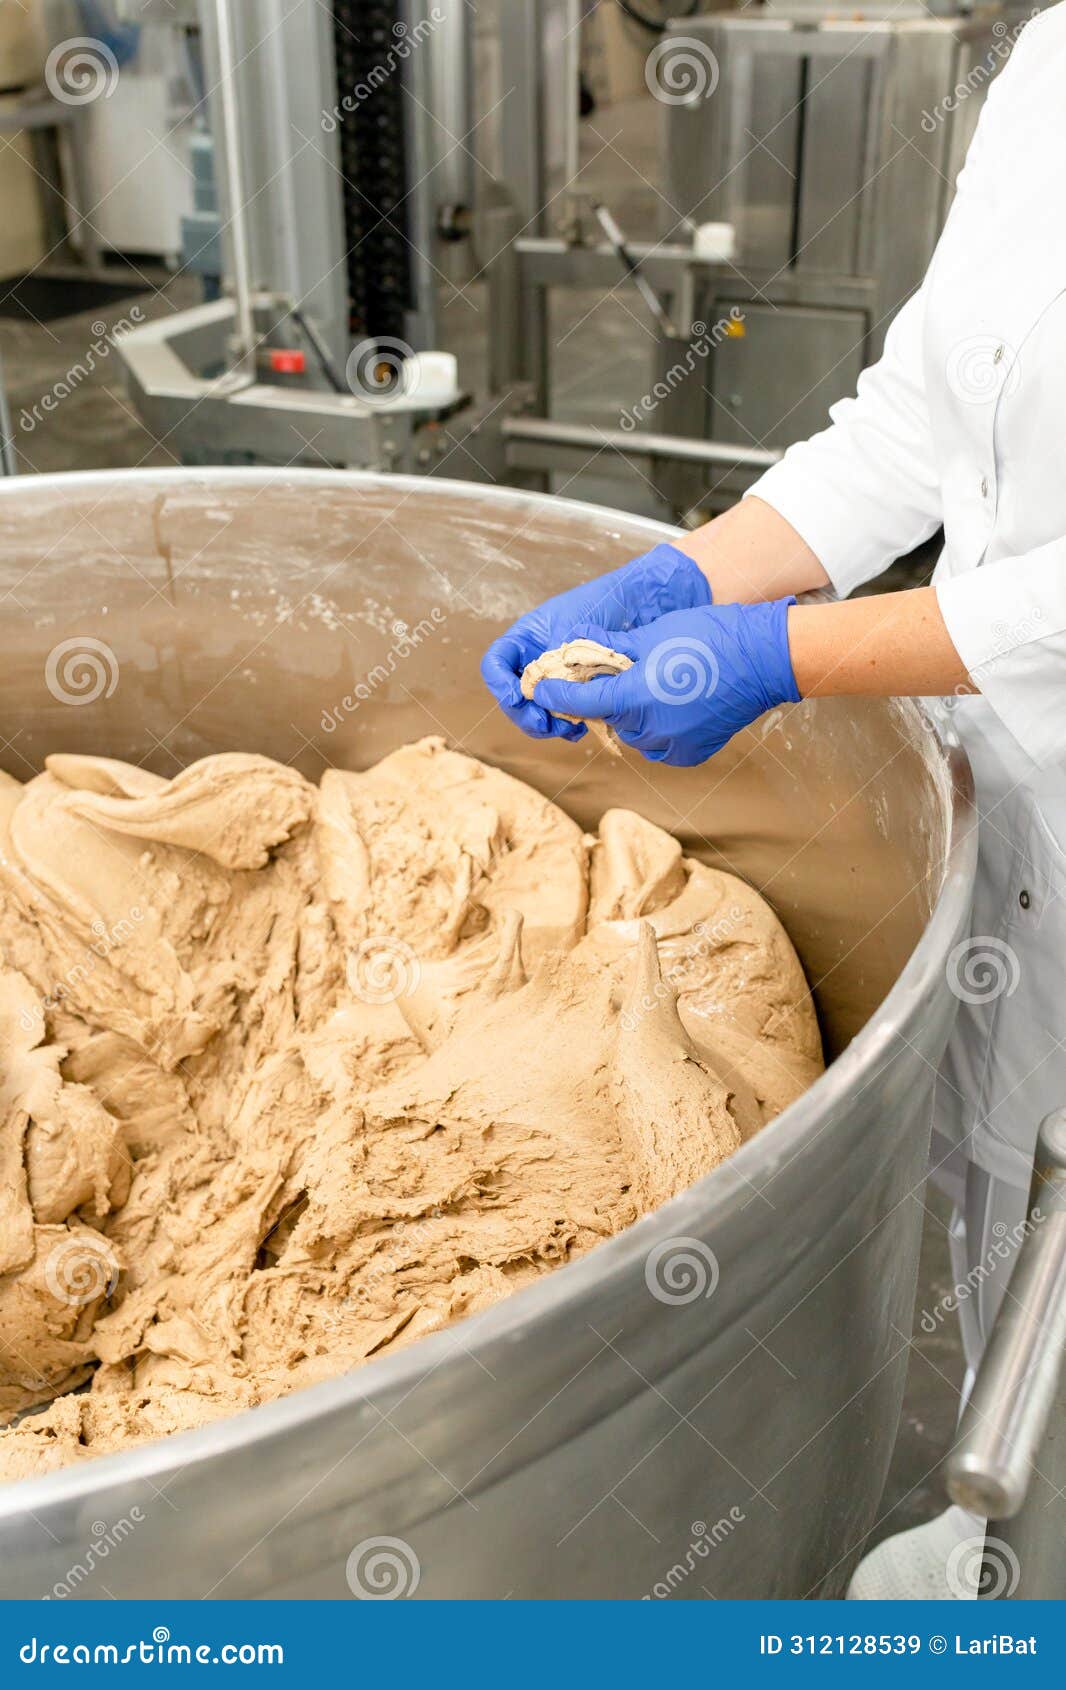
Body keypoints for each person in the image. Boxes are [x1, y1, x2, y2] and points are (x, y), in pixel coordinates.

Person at [481, 3, 1066, 1600]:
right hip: (1027, 810)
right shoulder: (1047, 66)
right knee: (1013, 1286)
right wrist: (693, 575)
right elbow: (917, 426)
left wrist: (781, 652)